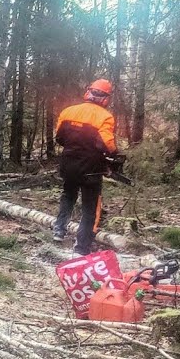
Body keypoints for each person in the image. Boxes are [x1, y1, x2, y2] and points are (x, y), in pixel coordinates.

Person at [53, 79, 119, 255]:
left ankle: (59, 230)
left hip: (68, 163)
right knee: (90, 208)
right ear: (106, 98)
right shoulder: (104, 117)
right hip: (91, 168)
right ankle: (82, 246)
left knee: (68, 195)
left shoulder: (68, 111)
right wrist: (114, 155)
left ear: (89, 92)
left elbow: (59, 138)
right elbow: (107, 144)